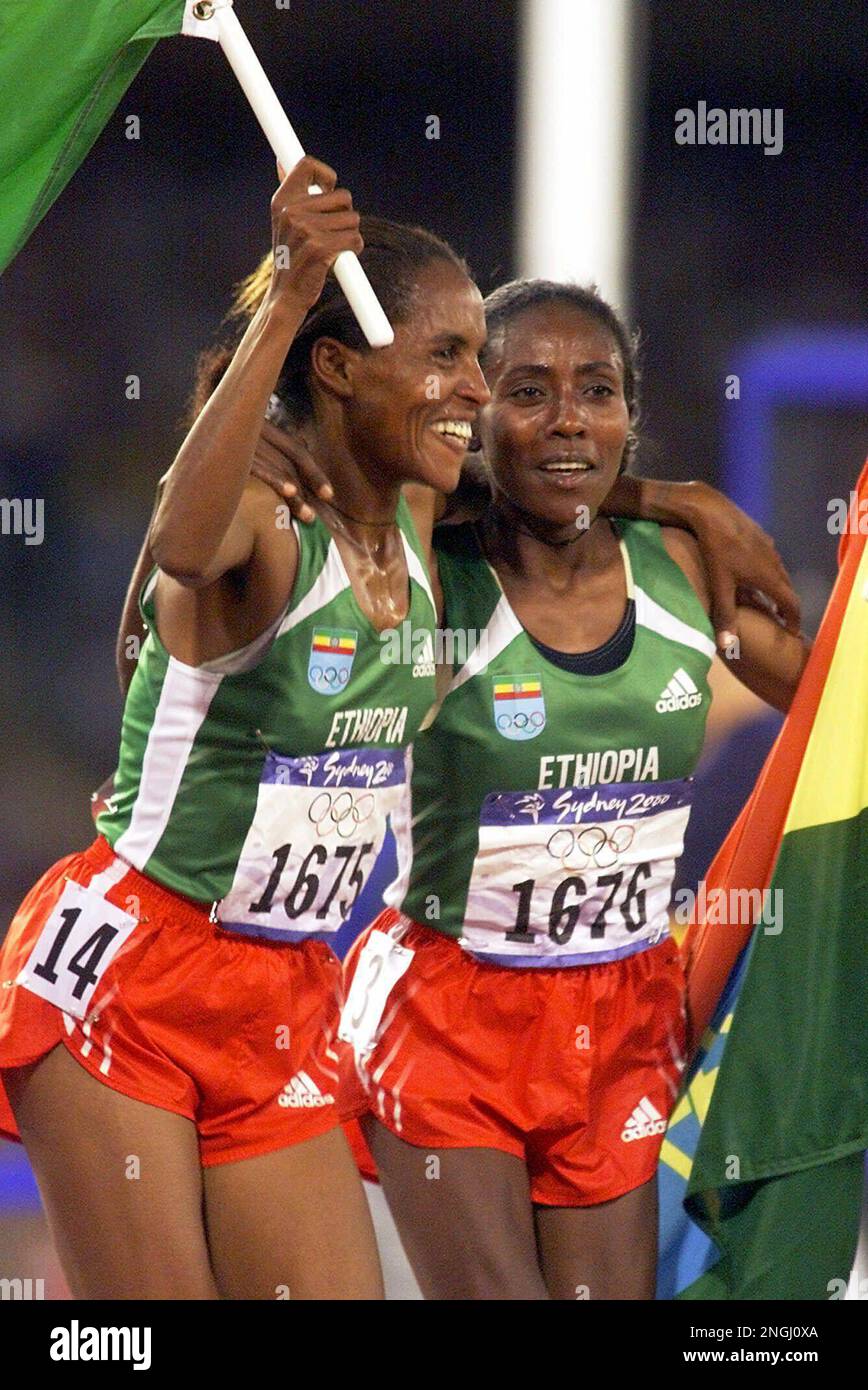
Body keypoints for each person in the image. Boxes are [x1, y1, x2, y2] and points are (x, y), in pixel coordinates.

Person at [0, 157, 492, 1299]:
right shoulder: (266, 522)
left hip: (284, 994)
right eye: (446, 356)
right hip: (135, 973)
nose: (477, 387)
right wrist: (286, 286)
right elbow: (180, 548)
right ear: (335, 364)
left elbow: (572, 478)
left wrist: (689, 509)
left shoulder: (417, 509)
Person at [340, 279, 811, 1300]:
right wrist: (674, 490)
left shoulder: (685, 565)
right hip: (451, 1015)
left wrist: (680, 505)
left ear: (630, 416)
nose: (565, 418)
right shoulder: (436, 570)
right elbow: (376, 472)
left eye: (595, 391)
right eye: (528, 390)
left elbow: (834, 707)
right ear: (476, 413)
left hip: (622, 1013)